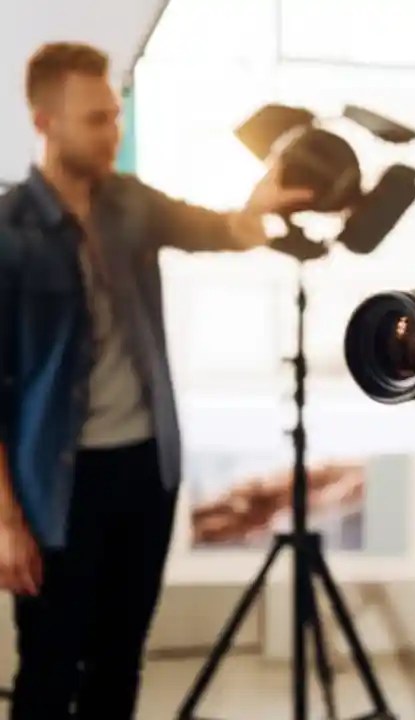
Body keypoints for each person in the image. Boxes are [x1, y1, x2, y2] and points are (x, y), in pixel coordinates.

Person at [0, 42, 310, 719]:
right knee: (50, 668)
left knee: (120, 659)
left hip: (146, 472)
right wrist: (5, 522)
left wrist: (261, 202)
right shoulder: (8, 230)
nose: (113, 131)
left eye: (115, 115)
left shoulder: (129, 203)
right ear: (44, 122)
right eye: (95, 120)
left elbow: (221, 228)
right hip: (57, 485)